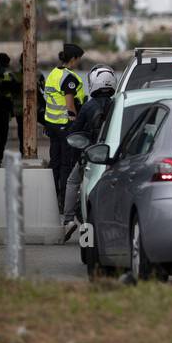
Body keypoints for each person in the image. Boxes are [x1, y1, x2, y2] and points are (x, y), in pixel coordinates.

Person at [61, 64, 118, 242]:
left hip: (91, 156)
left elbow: (75, 132)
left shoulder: (88, 106)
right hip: (113, 155)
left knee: (73, 182)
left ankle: (69, 221)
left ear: (94, 82)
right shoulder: (117, 104)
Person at [43, 42, 87, 206]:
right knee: (65, 164)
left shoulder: (53, 73)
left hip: (51, 124)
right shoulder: (69, 78)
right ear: (73, 59)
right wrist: (76, 123)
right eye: (79, 59)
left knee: (54, 161)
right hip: (64, 125)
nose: (79, 62)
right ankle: (63, 201)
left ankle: (52, 198)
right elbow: (70, 105)